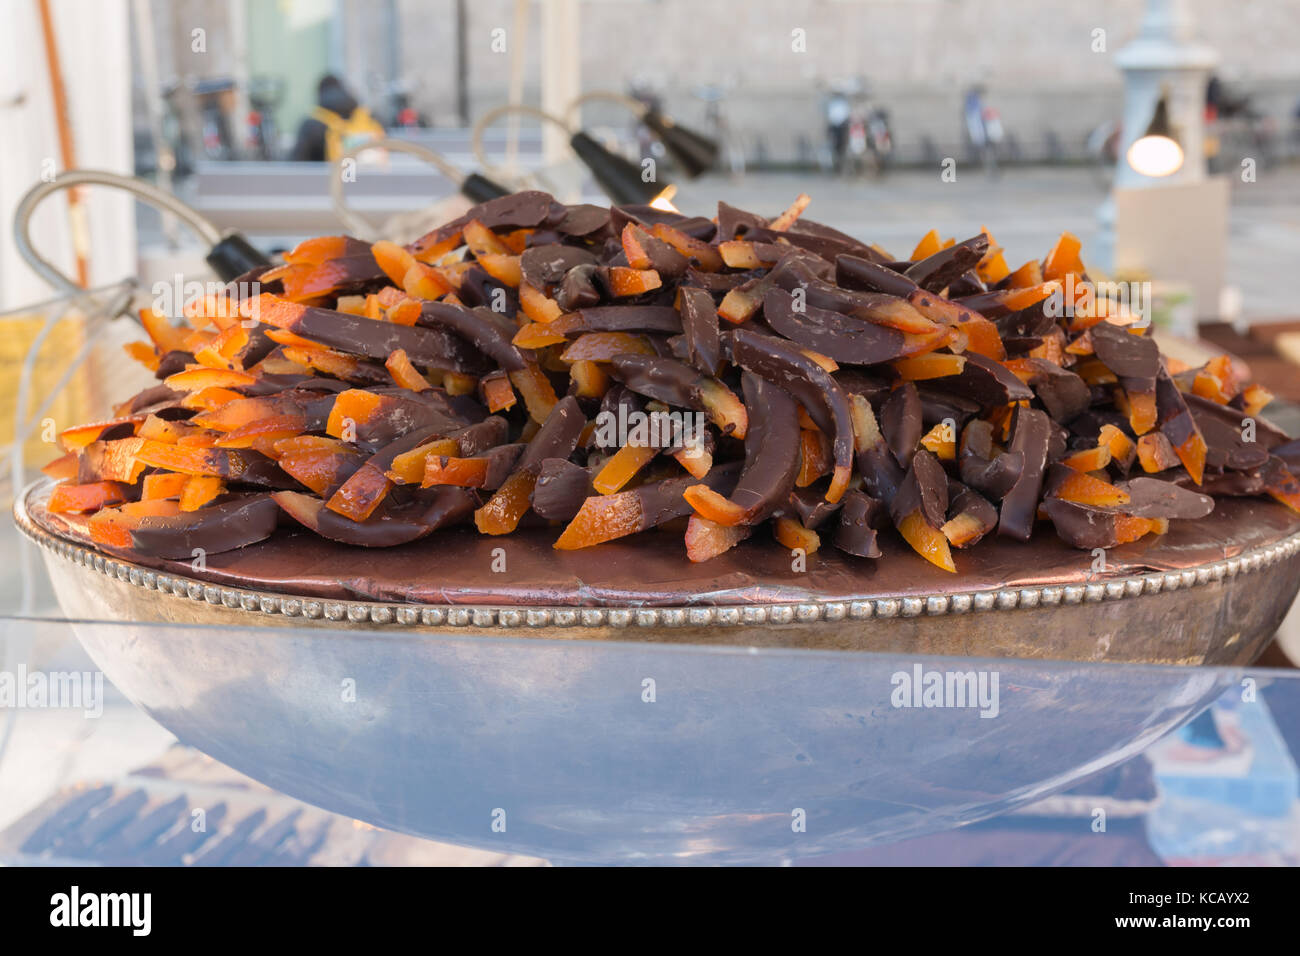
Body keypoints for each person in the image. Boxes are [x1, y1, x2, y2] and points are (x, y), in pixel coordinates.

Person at [291, 74, 384, 162]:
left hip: (331, 178)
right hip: (369, 178)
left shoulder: (312, 124)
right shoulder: (370, 117)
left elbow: (296, 165)